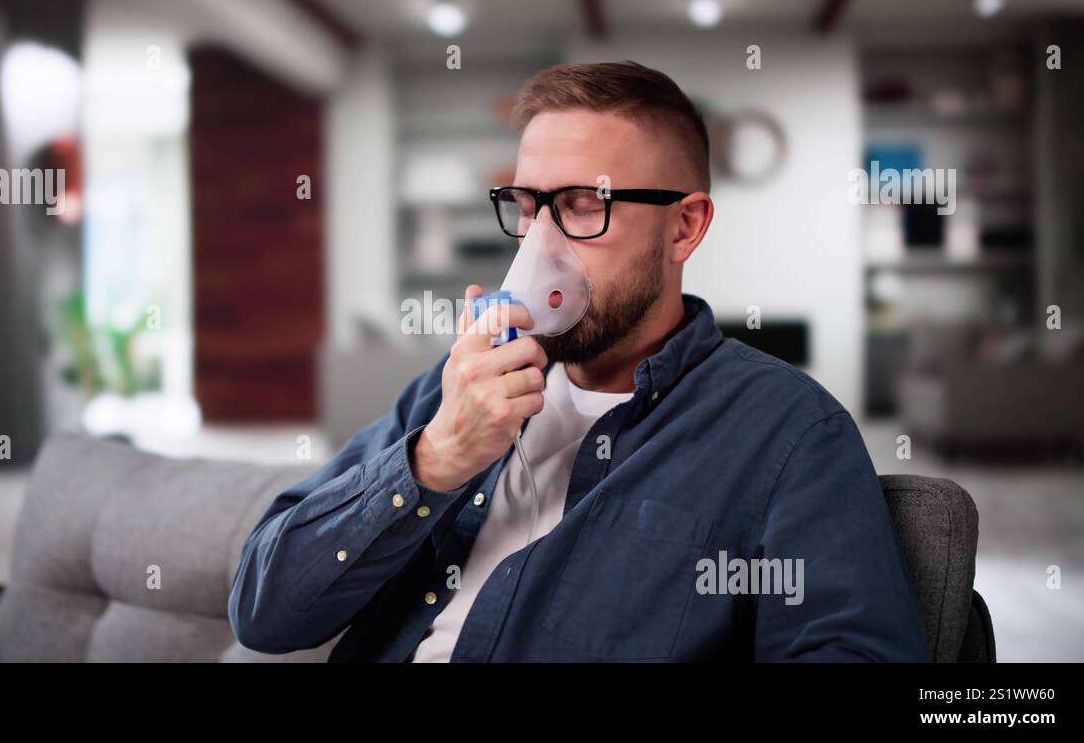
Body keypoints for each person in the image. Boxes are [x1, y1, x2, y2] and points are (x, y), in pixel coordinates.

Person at [228, 60, 928, 662]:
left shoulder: (787, 433)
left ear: (684, 226)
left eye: (584, 204)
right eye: (528, 206)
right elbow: (265, 612)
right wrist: (434, 461)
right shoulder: (454, 393)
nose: (540, 246)